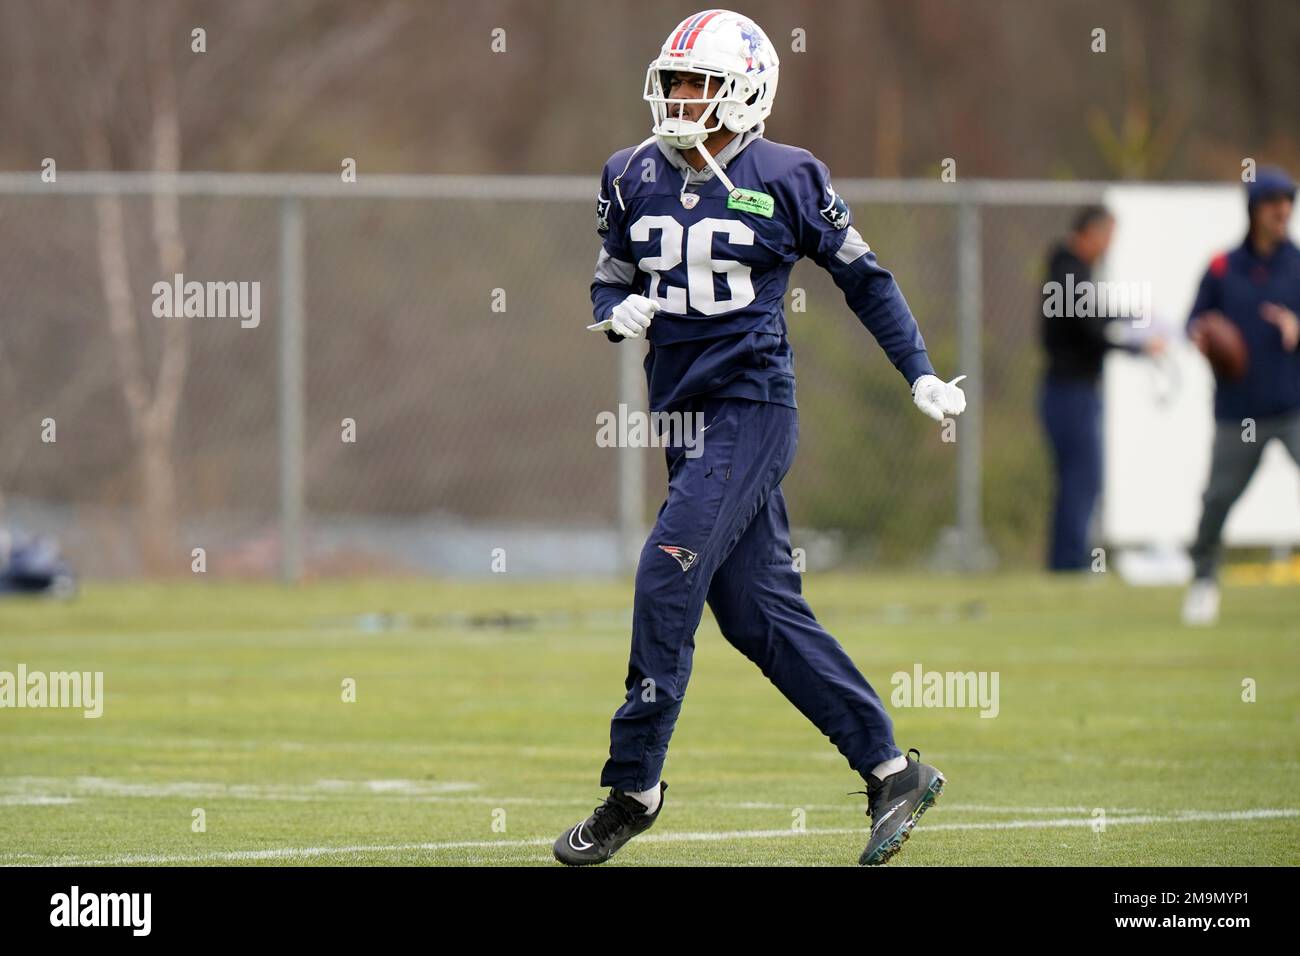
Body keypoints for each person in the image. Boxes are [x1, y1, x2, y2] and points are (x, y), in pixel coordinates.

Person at [554, 10, 966, 867]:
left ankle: (633, 785)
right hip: (683, 419)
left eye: (700, 83)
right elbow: (611, 274)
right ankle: (892, 768)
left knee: (665, 574)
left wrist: (919, 371)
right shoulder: (628, 174)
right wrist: (610, 313)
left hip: (753, 408)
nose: (681, 97)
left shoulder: (789, 175)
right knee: (756, 613)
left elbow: (865, 279)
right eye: (675, 81)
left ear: (746, 93)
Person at [1183, 167, 1300, 625]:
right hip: (1238, 412)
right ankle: (1204, 580)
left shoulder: (1297, 264)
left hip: (1292, 406)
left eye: (1289, 204)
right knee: (1217, 500)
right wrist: (1202, 337)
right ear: (1254, 210)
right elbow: (1195, 320)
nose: (1283, 213)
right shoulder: (1222, 267)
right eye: (1274, 204)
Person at [1038, 206, 1163, 571]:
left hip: (1069, 391)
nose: (1109, 247)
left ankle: (1064, 564)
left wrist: (1128, 318)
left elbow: (1090, 318)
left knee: (1074, 480)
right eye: (1107, 237)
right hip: (1069, 392)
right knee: (1082, 477)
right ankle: (1072, 563)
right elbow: (1087, 330)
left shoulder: (1070, 271)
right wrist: (1137, 347)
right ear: (1090, 233)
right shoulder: (1069, 271)